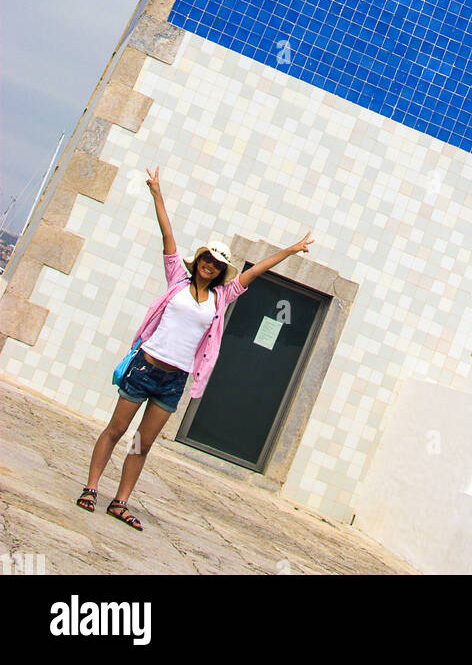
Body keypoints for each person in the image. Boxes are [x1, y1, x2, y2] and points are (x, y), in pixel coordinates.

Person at [75, 164, 313, 531]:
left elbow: (256, 271)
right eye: (206, 259)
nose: (209, 266)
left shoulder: (221, 298)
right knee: (116, 430)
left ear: (220, 271)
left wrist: (291, 250)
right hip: (145, 366)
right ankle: (91, 487)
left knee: (142, 443)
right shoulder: (176, 279)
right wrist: (157, 193)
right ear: (198, 260)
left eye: (217, 264)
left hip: (173, 380)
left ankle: (120, 501)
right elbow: (167, 235)